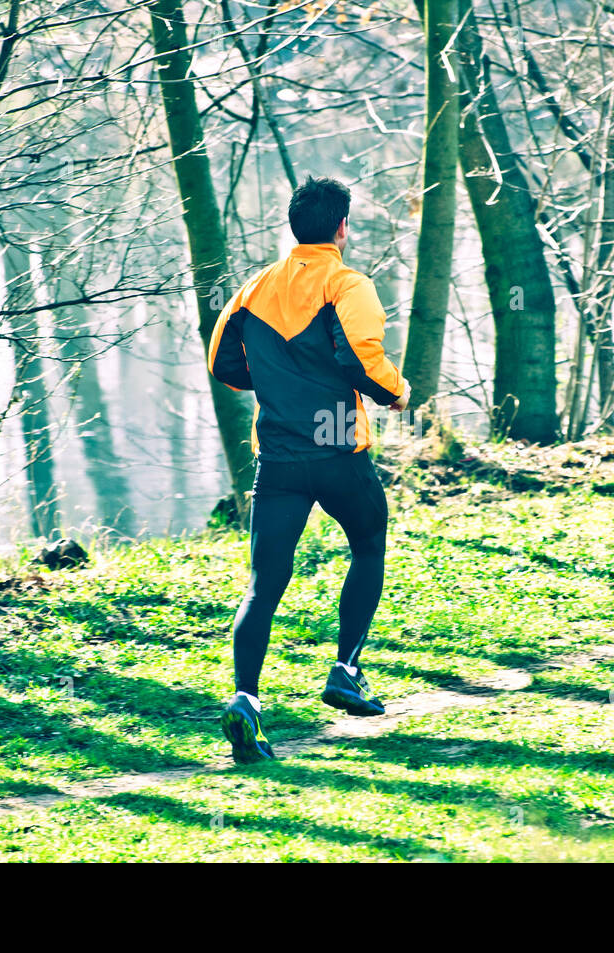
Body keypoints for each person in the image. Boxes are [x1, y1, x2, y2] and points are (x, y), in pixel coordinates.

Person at [207, 176, 410, 763]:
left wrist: (273, 383)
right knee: (368, 546)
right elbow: (360, 356)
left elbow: (224, 363)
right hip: (339, 452)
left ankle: (245, 700)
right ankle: (346, 669)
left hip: (278, 458)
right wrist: (394, 393)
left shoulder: (252, 290)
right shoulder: (348, 283)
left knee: (263, 586)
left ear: (294, 227)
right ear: (342, 228)